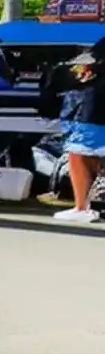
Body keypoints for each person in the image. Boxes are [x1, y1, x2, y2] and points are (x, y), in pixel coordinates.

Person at [44, 38, 105, 223]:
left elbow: (88, 63)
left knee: (77, 154)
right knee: (92, 156)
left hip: (91, 110)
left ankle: (81, 206)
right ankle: (87, 205)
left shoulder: (99, 53)